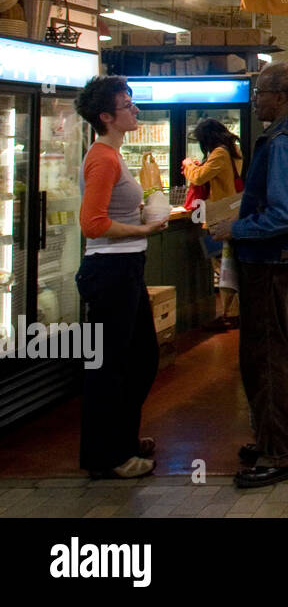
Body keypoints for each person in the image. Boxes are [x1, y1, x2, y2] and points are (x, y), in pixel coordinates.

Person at [208, 63, 288, 489]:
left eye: (260, 92)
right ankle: (272, 437)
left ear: (280, 96)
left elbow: (284, 213)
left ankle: (282, 454)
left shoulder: (282, 141)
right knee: (277, 356)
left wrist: (236, 228)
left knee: (267, 359)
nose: (255, 99)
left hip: (274, 263)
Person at [73, 76, 169, 479]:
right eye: (127, 106)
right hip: (110, 270)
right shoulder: (103, 159)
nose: (135, 110)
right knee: (109, 366)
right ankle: (105, 455)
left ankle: (123, 439)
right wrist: (143, 231)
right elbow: (92, 224)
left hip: (125, 268)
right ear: (106, 116)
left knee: (140, 360)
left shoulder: (114, 155)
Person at [184, 118, 244, 331]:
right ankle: (232, 311)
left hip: (219, 215)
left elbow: (199, 177)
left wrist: (189, 165)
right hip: (231, 211)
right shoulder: (233, 149)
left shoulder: (219, 153)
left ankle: (231, 313)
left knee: (222, 265)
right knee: (228, 264)